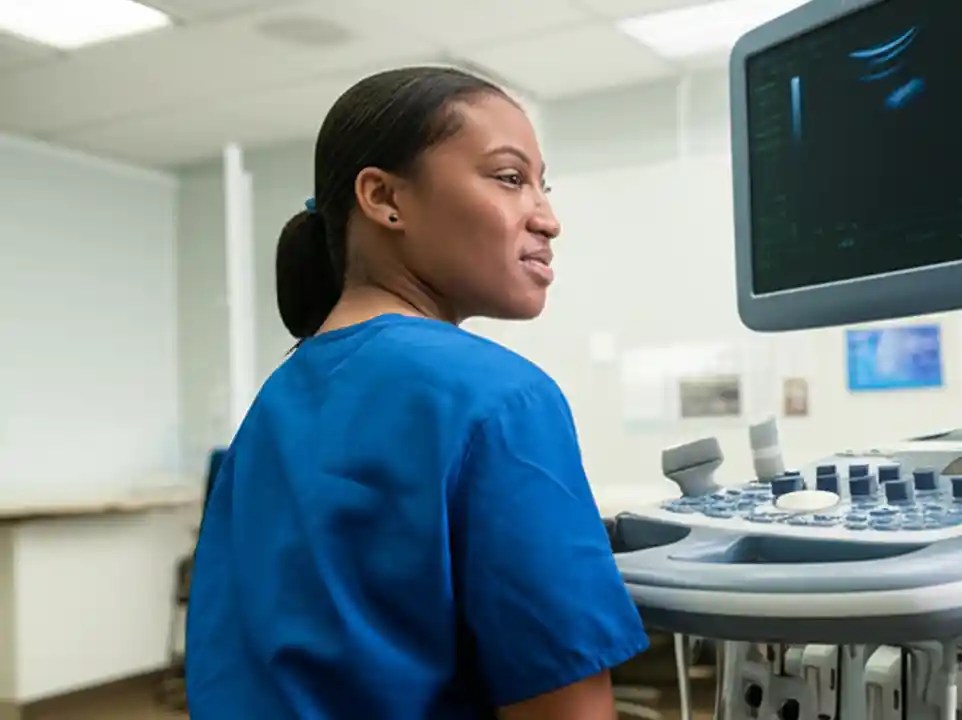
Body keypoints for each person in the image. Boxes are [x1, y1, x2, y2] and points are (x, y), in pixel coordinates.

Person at [186, 66, 649, 720]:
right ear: (384, 198)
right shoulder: (500, 398)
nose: (547, 219)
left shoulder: (274, 405)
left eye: (543, 186)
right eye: (510, 178)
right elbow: (567, 711)